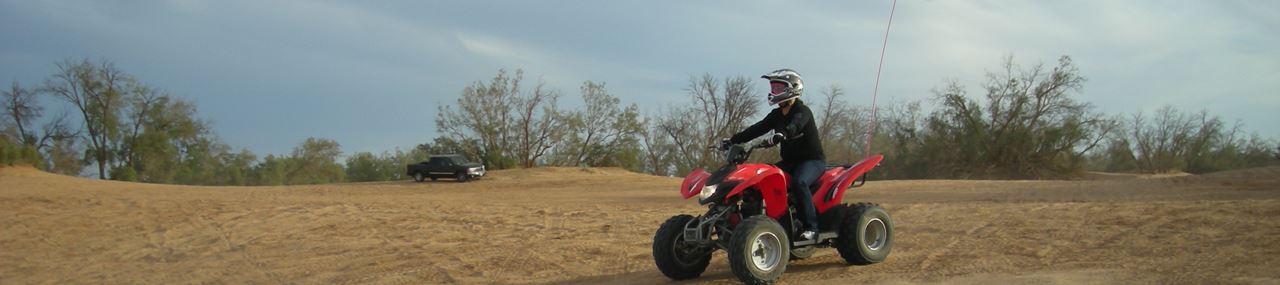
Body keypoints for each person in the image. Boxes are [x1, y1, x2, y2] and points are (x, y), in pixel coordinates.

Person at [729, 68, 826, 241]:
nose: (774, 92)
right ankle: (753, 225)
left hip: (812, 161)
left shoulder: (803, 112)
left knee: (800, 182)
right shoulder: (777, 114)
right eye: (773, 88)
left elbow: (796, 125)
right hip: (789, 162)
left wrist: (784, 134)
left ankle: (812, 228)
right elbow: (757, 129)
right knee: (760, 180)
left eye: (779, 88)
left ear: (793, 88)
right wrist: (733, 140)